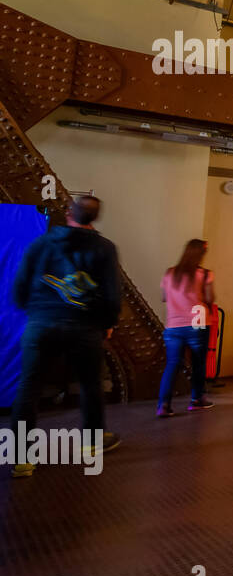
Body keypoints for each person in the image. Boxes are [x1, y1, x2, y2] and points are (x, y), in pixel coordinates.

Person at [9, 195, 122, 476]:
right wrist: (108, 323)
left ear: (69, 213)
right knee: (90, 384)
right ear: (95, 218)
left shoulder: (42, 243)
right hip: (84, 326)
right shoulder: (105, 248)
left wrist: (35, 312)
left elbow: (20, 286)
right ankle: (92, 443)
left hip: (42, 324)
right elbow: (112, 293)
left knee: (29, 388)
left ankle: (22, 458)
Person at [157, 239, 215, 417]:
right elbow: (210, 298)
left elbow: (164, 297)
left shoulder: (170, 273)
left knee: (172, 363)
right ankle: (197, 399)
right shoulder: (204, 274)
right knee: (198, 363)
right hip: (198, 321)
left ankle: (163, 405)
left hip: (174, 325)